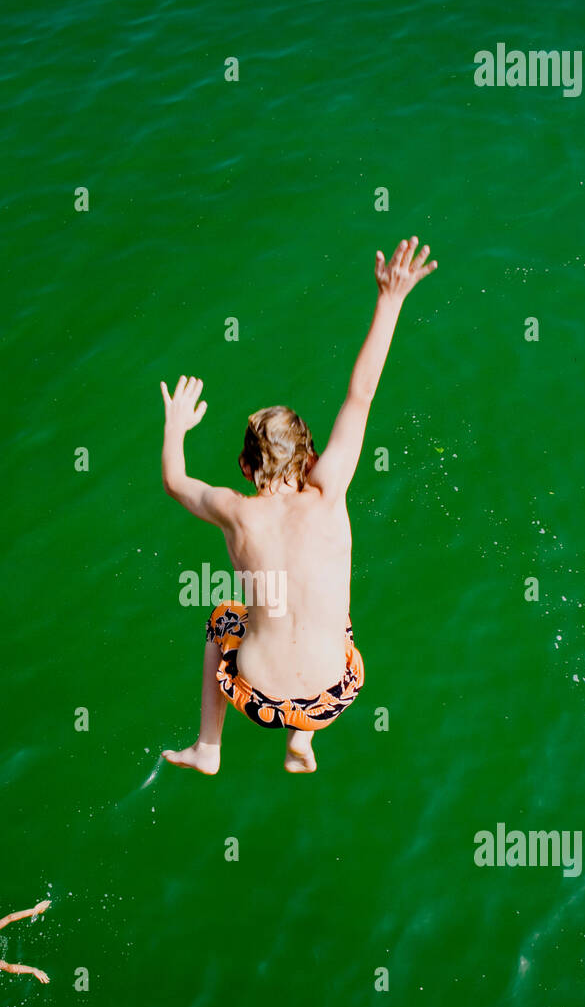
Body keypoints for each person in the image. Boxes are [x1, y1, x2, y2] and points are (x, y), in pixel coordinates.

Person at [160, 236, 437, 774]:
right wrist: (390, 301)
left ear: (246, 468)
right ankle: (303, 742)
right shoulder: (329, 491)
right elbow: (362, 394)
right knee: (335, 617)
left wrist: (176, 428)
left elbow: (175, 481)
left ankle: (208, 748)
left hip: (256, 701)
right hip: (334, 694)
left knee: (223, 620)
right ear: (309, 456)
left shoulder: (233, 509)